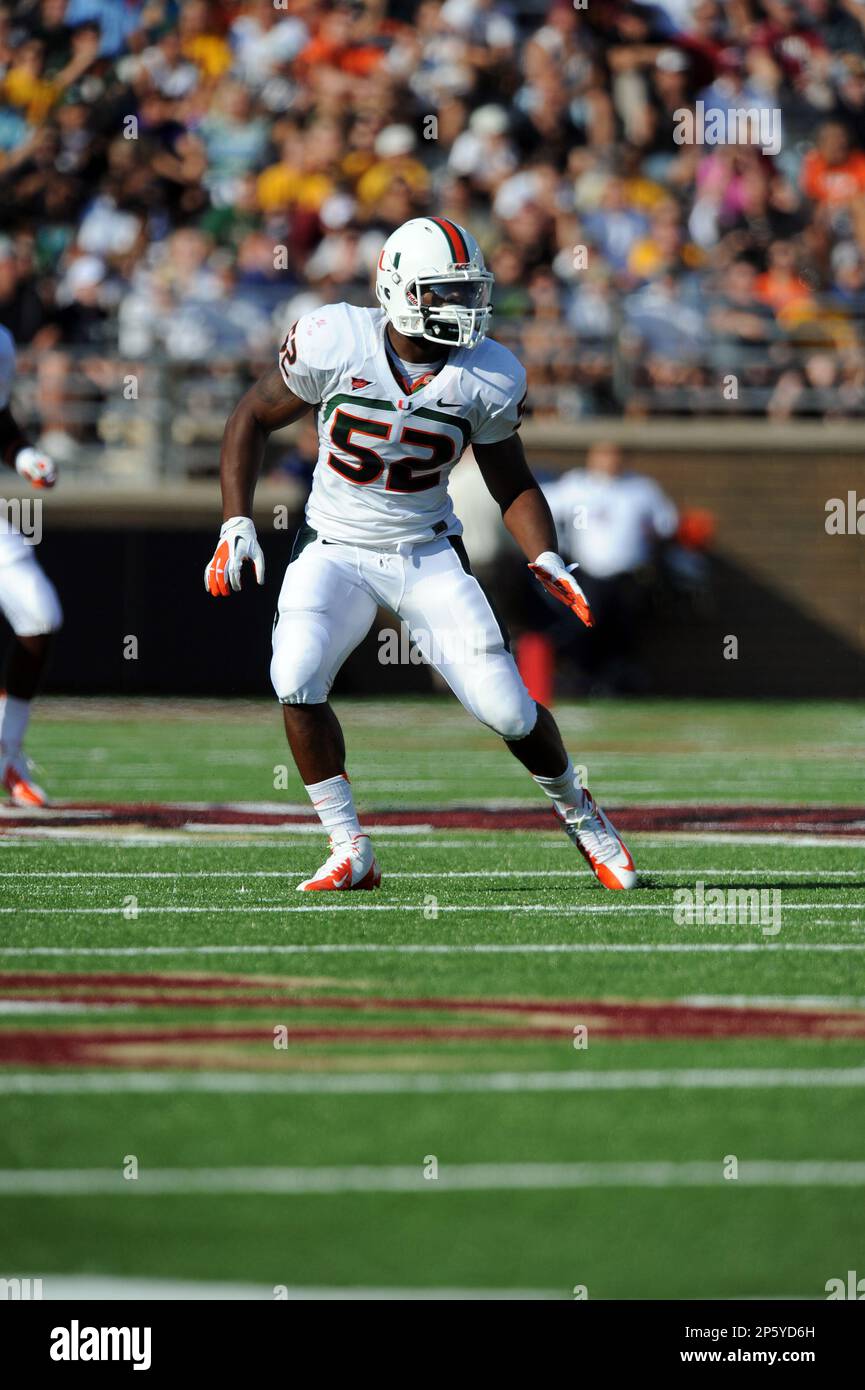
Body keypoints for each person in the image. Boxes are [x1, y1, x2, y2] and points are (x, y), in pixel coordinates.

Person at [205, 217, 637, 892]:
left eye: (469, 293)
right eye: (446, 293)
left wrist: (546, 555)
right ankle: (349, 847)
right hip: (335, 546)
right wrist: (236, 522)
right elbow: (250, 417)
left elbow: (511, 478)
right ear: (400, 289)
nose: (464, 309)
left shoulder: (486, 374)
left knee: (508, 710)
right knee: (294, 674)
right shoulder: (335, 339)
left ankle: (582, 818)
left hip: (425, 551)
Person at [544, 441, 678, 692]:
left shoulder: (641, 489)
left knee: (624, 632)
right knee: (584, 629)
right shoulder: (577, 485)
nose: (609, 461)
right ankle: (583, 680)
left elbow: (666, 524)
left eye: (615, 455)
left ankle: (617, 684)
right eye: (603, 455)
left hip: (629, 576)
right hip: (587, 575)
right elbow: (544, 507)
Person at [0, 324, 61, 805]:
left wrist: (23, 455)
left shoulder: (3, 340)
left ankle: (7, 754)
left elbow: (0, 421)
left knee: (40, 614)